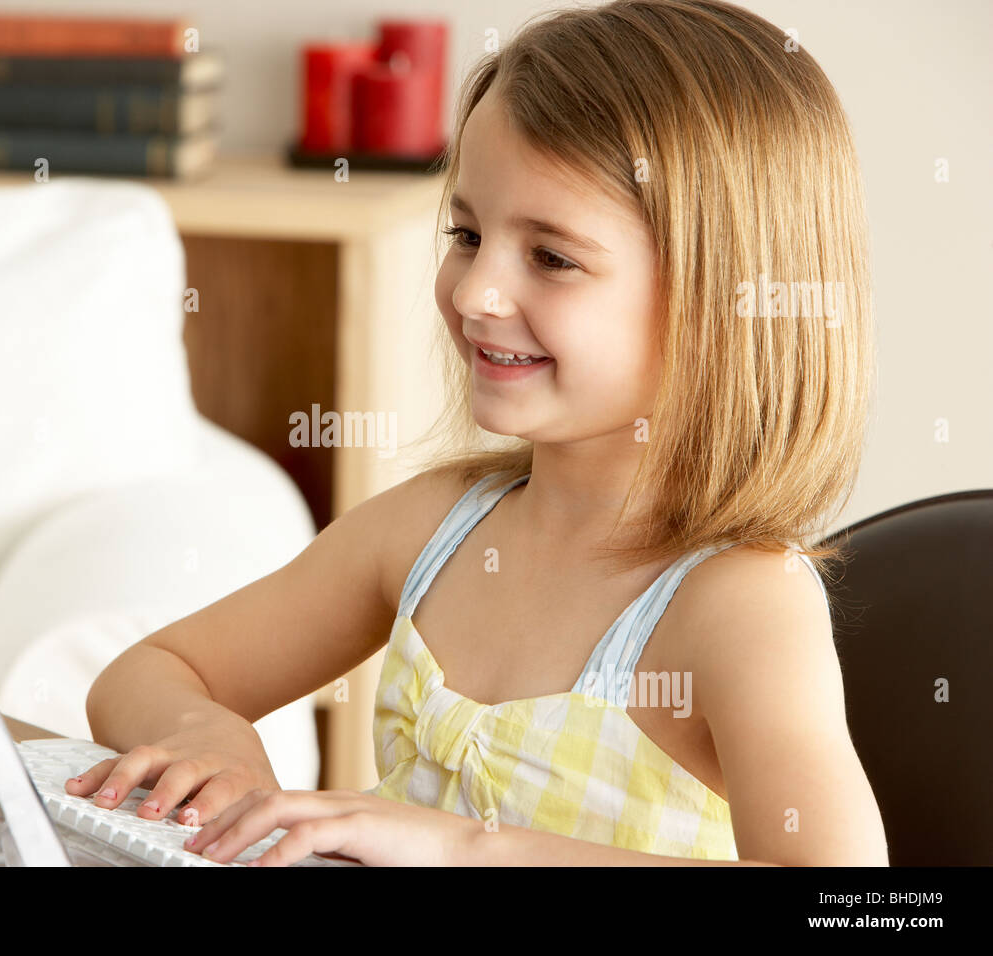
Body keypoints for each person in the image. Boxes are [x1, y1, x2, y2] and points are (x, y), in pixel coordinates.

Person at [74, 0, 888, 866]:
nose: (474, 294)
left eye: (552, 257)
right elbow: (148, 670)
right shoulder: (436, 528)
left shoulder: (739, 604)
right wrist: (215, 742)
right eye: (467, 234)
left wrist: (475, 849)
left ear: (726, 301)